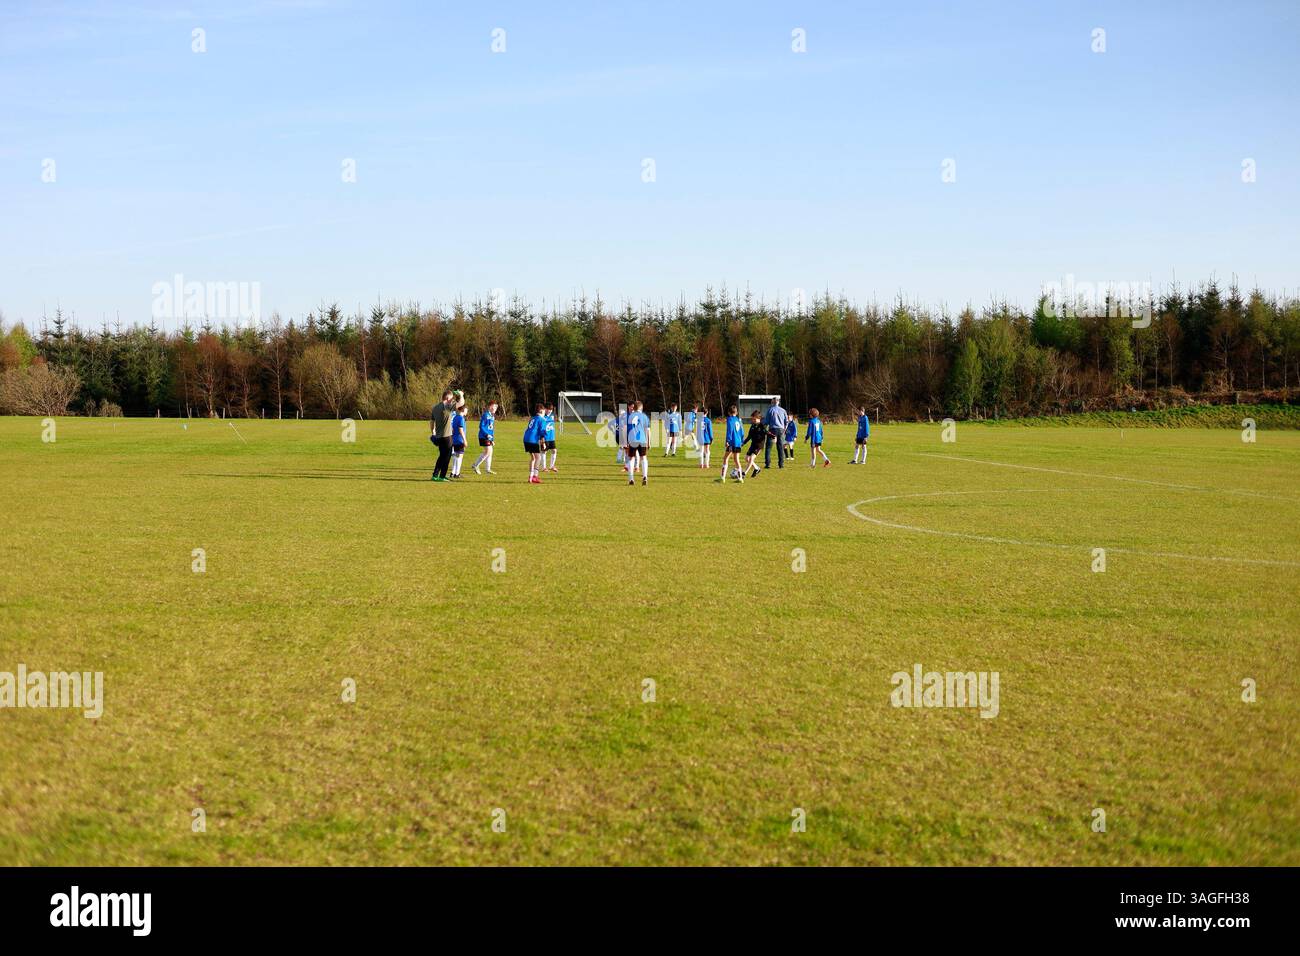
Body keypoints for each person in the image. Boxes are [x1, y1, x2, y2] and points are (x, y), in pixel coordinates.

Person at [429, 390, 455, 482]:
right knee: (447, 457)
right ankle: (442, 476)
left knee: (441, 456)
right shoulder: (447, 406)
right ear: (447, 398)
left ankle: (435, 475)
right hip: (447, 436)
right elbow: (461, 403)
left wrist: (433, 432)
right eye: (451, 398)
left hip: (439, 436)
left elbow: (432, 422)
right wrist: (461, 395)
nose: (452, 400)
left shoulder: (435, 407)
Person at [625, 400, 650, 485]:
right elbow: (647, 430)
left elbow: (627, 430)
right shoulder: (644, 416)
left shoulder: (630, 416)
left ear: (634, 407)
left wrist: (626, 441)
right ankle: (645, 476)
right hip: (642, 439)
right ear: (641, 407)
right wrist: (648, 442)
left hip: (632, 439)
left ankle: (631, 478)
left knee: (631, 458)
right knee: (643, 458)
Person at [719, 405, 745, 483]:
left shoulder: (730, 419)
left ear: (729, 412)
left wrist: (728, 441)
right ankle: (740, 478)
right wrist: (741, 441)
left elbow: (729, 431)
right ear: (736, 412)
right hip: (738, 442)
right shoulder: (739, 420)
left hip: (732, 442)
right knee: (737, 460)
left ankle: (722, 478)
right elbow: (742, 432)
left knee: (725, 458)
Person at [523, 403, 547, 483]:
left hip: (526, 439)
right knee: (538, 458)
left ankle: (530, 476)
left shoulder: (533, 418)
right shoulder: (542, 419)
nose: (545, 412)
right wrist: (543, 443)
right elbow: (542, 432)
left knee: (533, 458)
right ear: (541, 411)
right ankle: (535, 477)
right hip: (532, 439)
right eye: (544, 410)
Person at [763, 397, 788, 469]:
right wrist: (784, 429)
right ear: (778, 402)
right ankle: (781, 464)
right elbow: (786, 422)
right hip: (781, 429)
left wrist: (764, 429)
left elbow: (766, 422)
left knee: (768, 447)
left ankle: (768, 464)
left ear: (772, 402)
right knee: (780, 447)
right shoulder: (783, 410)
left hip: (772, 429)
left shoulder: (770, 410)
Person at [473, 401, 498, 475]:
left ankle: (488, 469)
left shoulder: (492, 416)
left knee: (490, 452)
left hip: (489, 437)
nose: (495, 408)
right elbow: (481, 426)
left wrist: (492, 439)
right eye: (494, 406)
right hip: (483, 436)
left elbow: (491, 429)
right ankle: (476, 465)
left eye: (496, 407)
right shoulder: (485, 415)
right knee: (488, 451)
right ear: (490, 406)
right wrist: (486, 435)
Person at [743, 411, 766, 478]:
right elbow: (749, 436)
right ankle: (756, 468)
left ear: (759, 418)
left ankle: (744, 473)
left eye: (754, 419)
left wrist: (773, 436)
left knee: (751, 458)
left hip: (759, 445)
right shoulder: (752, 426)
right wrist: (743, 443)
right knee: (746, 458)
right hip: (753, 445)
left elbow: (766, 432)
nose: (753, 420)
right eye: (752, 419)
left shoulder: (762, 426)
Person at [449, 404, 468, 479]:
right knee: (459, 456)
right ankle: (457, 473)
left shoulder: (455, 417)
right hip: (460, 440)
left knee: (455, 456)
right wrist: (464, 440)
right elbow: (461, 430)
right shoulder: (461, 418)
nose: (467, 411)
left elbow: (453, 429)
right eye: (466, 410)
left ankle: (453, 473)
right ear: (463, 410)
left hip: (454, 439)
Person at [543, 402, 558, 473]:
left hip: (552, 437)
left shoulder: (552, 416)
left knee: (554, 450)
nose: (550, 411)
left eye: (551, 409)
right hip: (545, 437)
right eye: (548, 409)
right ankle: (544, 467)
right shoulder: (542, 416)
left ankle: (552, 466)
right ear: (545, 409)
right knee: (544, 451)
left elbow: (554, 420)